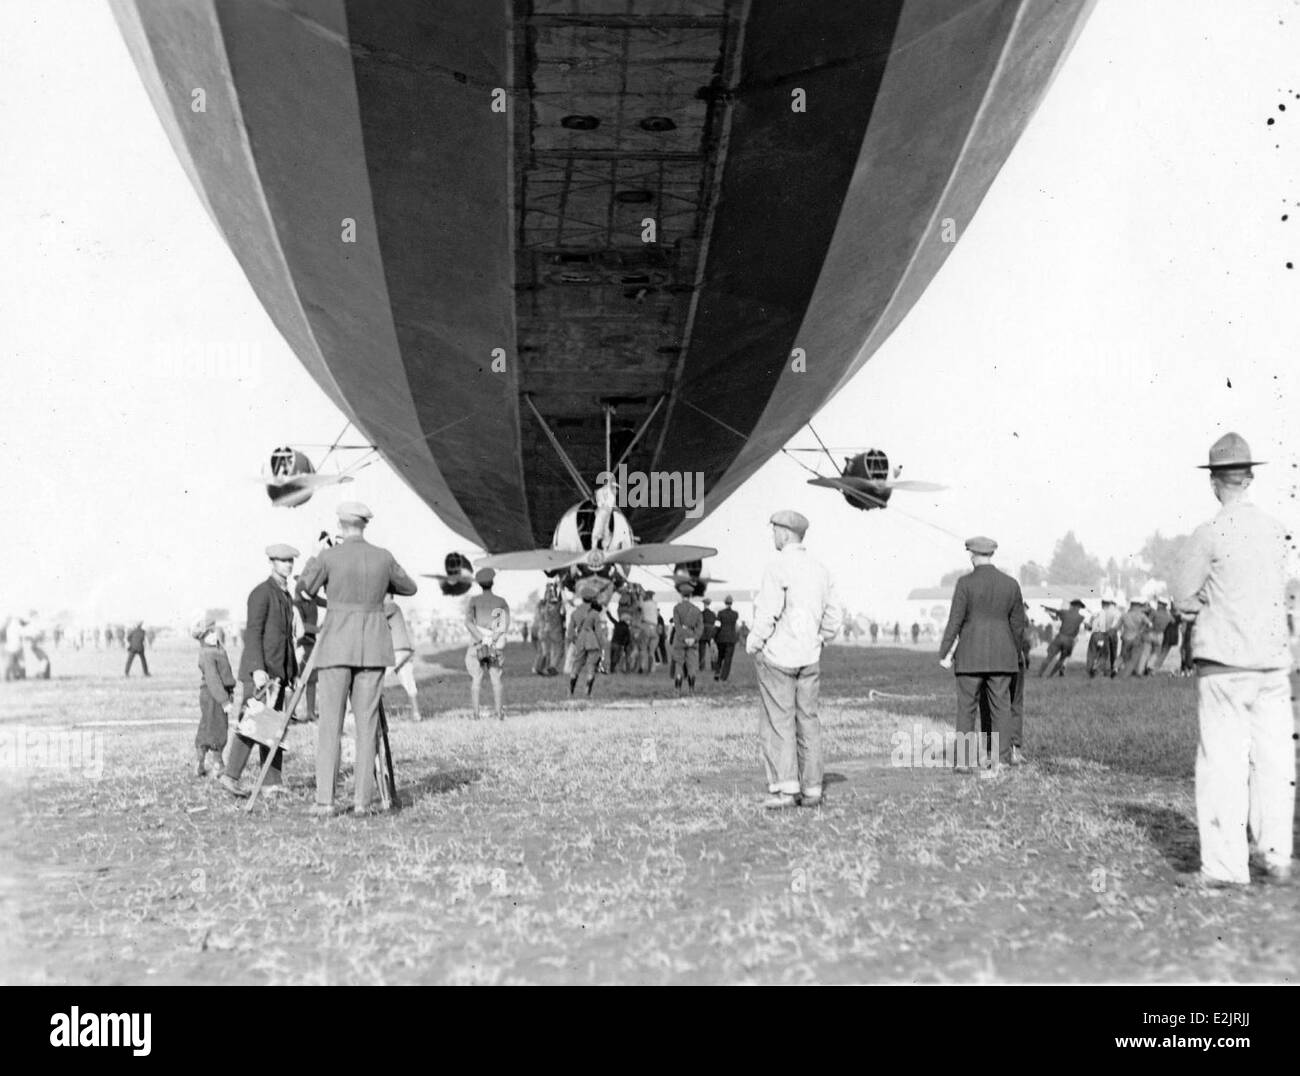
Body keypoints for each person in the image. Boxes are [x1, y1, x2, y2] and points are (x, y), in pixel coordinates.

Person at [1172, 433, 1294, 890]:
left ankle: (1225, 868)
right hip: (1273, 662)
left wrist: (1207, 603)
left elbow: (1183, 596)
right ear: (1250, 477)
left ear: (1214, 483)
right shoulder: (1277, 528)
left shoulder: (1209, 532)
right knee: (1275, 762)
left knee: (1223, 763)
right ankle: (1277, 855)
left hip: (1225, 662)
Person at [299, 504, 418, 815]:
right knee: (367, 726)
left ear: (339, 524)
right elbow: (409, 587)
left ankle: (325, 801)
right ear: (366, 524)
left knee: (330, 726)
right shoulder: (383, 556)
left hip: (336, 645)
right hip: (373, 647)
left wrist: (316, 555)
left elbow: (304, 589)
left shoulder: (328, 557)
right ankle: (362, 802)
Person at [746, 510, 842, 809]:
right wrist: (821, 638)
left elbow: (768, 612)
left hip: (778, 656)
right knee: (808, 720)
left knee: (779, 721)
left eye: (774, 530)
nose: (773, 535)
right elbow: (834, 616)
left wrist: (754, 643)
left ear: (785, 533)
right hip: (809, 656)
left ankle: (787, 789)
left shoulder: (776, 568)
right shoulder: (820, 569)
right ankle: (813, 788)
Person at [938, 536, 1027, 777]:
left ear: (971, 555)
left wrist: (944, 650)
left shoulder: (964, 583)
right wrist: (1013, 650)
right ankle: (1001, 759)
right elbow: (1018, 624)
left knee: (966, 708)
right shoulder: (1011, 584)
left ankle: (965, 760)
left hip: (969, 657)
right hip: (1003, 656)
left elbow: (955, 620)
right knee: (1001, 708)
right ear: (992, 554)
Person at [221, 544, 301, 797]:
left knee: (275, 729)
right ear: (272, 562)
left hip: (279, 673)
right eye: (283, 561)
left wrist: (292, 672)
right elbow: (253, 633)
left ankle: (272, 783)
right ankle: (230, 776)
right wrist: (257, 669)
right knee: (252, 725)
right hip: (262, 675)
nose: (288, 565)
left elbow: (287, 638)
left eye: (290, 561)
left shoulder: (286, 595)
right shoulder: (261, 593)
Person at [294, 533, 332, 721]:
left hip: (311, 644)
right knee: (298, 680)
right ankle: (291, 712)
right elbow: (302, 626)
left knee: (311, 680)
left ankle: (309, 712)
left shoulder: (312, 598)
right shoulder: (297, 602)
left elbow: (328, 603)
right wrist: (320, 630)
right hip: (301, 644)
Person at [465, 567, 510, 718]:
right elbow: (504, 624)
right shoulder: (501, 601)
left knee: (476, 679)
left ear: (479, 584)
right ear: (492, 582)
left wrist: (481, 638)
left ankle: (476, 714)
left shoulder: (474, 601)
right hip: (495, 645)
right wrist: (493, 638)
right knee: (496, 678)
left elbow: (469, 623)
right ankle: (499, 712)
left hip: (477, 645)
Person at [194, 620, 234, 778]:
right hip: (214, 694)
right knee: (218, 727)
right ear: (202, 637)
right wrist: (224, 700)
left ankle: (201, 761)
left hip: (214, 693)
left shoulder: (215, 649)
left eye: (213, 631)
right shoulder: (209, 653)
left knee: (207, 725)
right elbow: (213, 679)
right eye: (209, 633)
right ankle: (217, 763)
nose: (213, 635)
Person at [385, 597, 424, 721]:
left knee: (375, 679)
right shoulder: (394, 607)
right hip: (404, 650)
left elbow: (374, 616)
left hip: (397, 650)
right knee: (409, 682)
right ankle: (416, 714)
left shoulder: (390, 606)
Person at [566, 593, 606, 697]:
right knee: (591, 665)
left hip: (580, 639)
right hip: (592, 639)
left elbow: (570, 631)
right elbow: (599, 632)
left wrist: (574, 639)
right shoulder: (594, 614)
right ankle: (587, 692)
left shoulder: (575, 613)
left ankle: (570, 691)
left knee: (576, 665)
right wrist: (602, 645)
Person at [669, 581, 703, 695]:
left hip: (680, 640)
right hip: (693, 639)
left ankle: (677, 690)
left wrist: (684, 638)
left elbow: (677, 626)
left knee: (679, 665)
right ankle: (691, 690)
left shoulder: (677, 608)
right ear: (691, 596)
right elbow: (700, 627)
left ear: (681, 595)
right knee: (691, 665)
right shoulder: (697, 610)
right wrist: (694, 638)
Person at [1037, 600, 1084, 677]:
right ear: (1079, 607)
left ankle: (1039, 674)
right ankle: (1050, 676)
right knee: (1062, 659)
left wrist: (1046, 607)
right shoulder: (1081, 617)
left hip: (1060, 637)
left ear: (1072, 606)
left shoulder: (1065, 612)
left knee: (1049, 657)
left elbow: (1055, 611)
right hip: (1070, 640)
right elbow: (1078, 629)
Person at [1086, 597, 1121, 678]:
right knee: (1103, 654)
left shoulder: (1096, 613)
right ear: (1109, 604)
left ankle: (1090, 668)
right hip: (1103, 635)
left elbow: (1089, 626)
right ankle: (1098, 668)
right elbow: (1113, 627)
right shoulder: (1112, 614)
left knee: (1092, 654)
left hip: (1094, 635)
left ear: (1102, 604)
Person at [1119, 600, 1151, 677]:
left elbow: (1118, 626)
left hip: (1126, 637)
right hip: (1136, 637)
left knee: (1124, 655)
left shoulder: (1124, 615)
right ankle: (1127, 674)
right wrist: (1142, 629)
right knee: (1134, 657)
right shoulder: (1142, 615)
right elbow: (1150, 624)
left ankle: (1116, 668)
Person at [1142, 599, 1174, 675]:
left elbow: (1148, 622)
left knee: (1147, 651)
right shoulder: (1168, 616)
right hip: (1160, 635)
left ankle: (1143, 667)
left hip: (1150, 633)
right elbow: (1173, 621)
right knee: (1156, 653)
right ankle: (1150, 666)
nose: (1157, 604)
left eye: (1159, 603)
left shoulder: (1154, 613)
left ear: (1161, 605)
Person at [714, 595, 739, 681]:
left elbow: (717, 626)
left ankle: (717, 672)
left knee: (720, 657)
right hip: (731, 639)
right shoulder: (735, 614)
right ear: (731, 603)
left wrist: (714, 636)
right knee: (728, 659)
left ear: (725, 603)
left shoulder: (720, 613)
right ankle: (723, 677)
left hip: (721, 638)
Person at [700, 597, 717, 673]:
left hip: (702, 634)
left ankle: (702, 667)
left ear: (704, 604)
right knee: (713, 652)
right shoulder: (713, 614)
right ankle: (714, 667)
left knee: (702, 652)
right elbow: (715, 624)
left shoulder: (700, 614)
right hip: (711, 634)